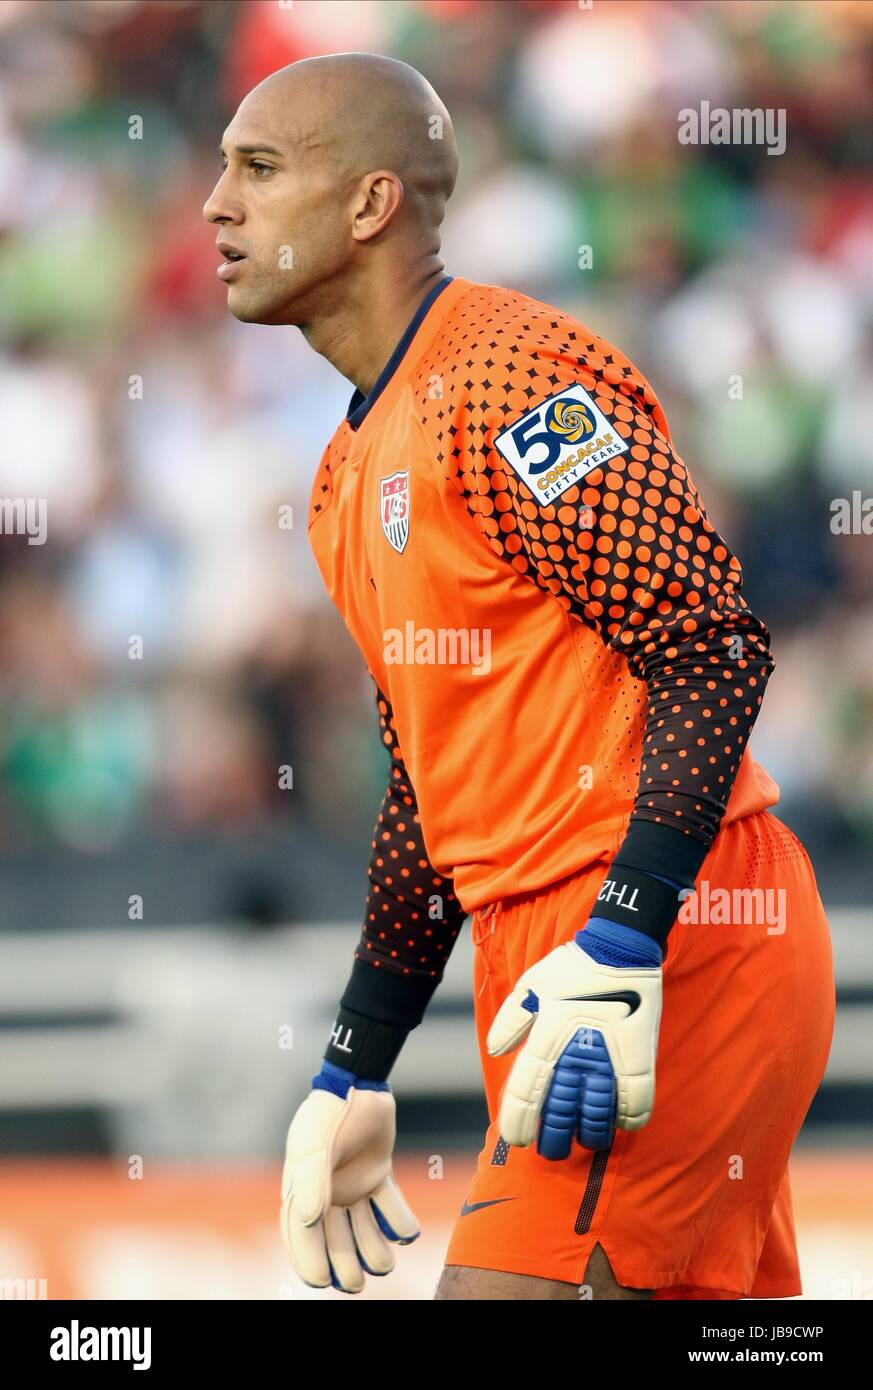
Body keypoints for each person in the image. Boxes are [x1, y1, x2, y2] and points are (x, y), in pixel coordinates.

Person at [203, 52, 835, 1301]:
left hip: (669, 927)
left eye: (258, 168)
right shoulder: (340, 477)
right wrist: (353, 1062)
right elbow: (425, 796)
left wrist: (626, 935)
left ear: (371, 203)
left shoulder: (508, 377)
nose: (217, 204)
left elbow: (711, 637)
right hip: (550, 951)